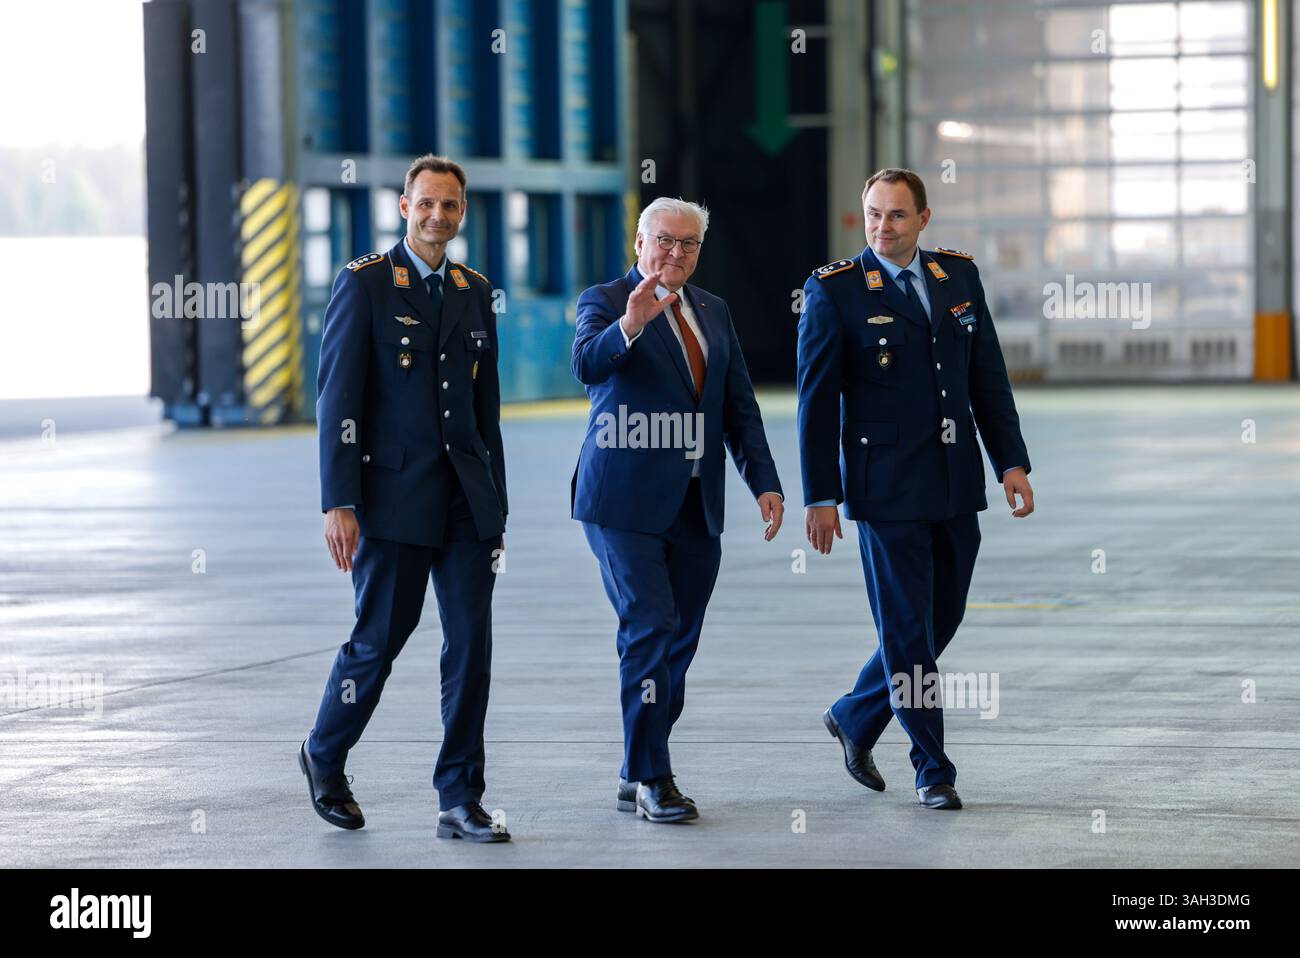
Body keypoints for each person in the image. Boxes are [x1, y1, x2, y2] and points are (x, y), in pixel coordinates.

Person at [796, 168, 1035, 810]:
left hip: (956, 482)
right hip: (885, 491)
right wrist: (821, 495)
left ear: (923, 219)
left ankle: (854, 714)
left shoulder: (957, 278)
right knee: (907, 634)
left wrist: (1011, 461)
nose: (883, 227)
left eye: (897, 215)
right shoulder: (834, 291)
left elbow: (987, 376)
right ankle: (932, 766)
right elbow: (815, 406)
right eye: (873, 214)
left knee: (941, 618)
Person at [300, 153, 511, 842]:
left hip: (464, 507)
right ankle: (325, 756)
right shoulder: (365, 285)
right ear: (403, 205)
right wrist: (340, 501)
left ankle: (460, 797)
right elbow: (338, 400)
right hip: (390, 502)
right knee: (378, 641)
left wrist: (495, 509)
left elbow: (486, 413)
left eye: (450, 206)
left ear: (462, 212)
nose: (437, 216)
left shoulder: (475, 289)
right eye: (426, 203)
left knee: (470, 647)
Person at [571, 197, 785, 823]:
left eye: (689, 244)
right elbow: (586, 364)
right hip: (622, 501)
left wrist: (763, 482)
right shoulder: (607, 300)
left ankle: (635, 763)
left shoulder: (713, 311)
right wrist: (630, 326)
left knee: (679, 642)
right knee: (650, 629)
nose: (675, 253)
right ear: (640, 242)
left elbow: (737, 405)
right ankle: (653, 779)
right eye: (664, 240)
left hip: (696, 504)